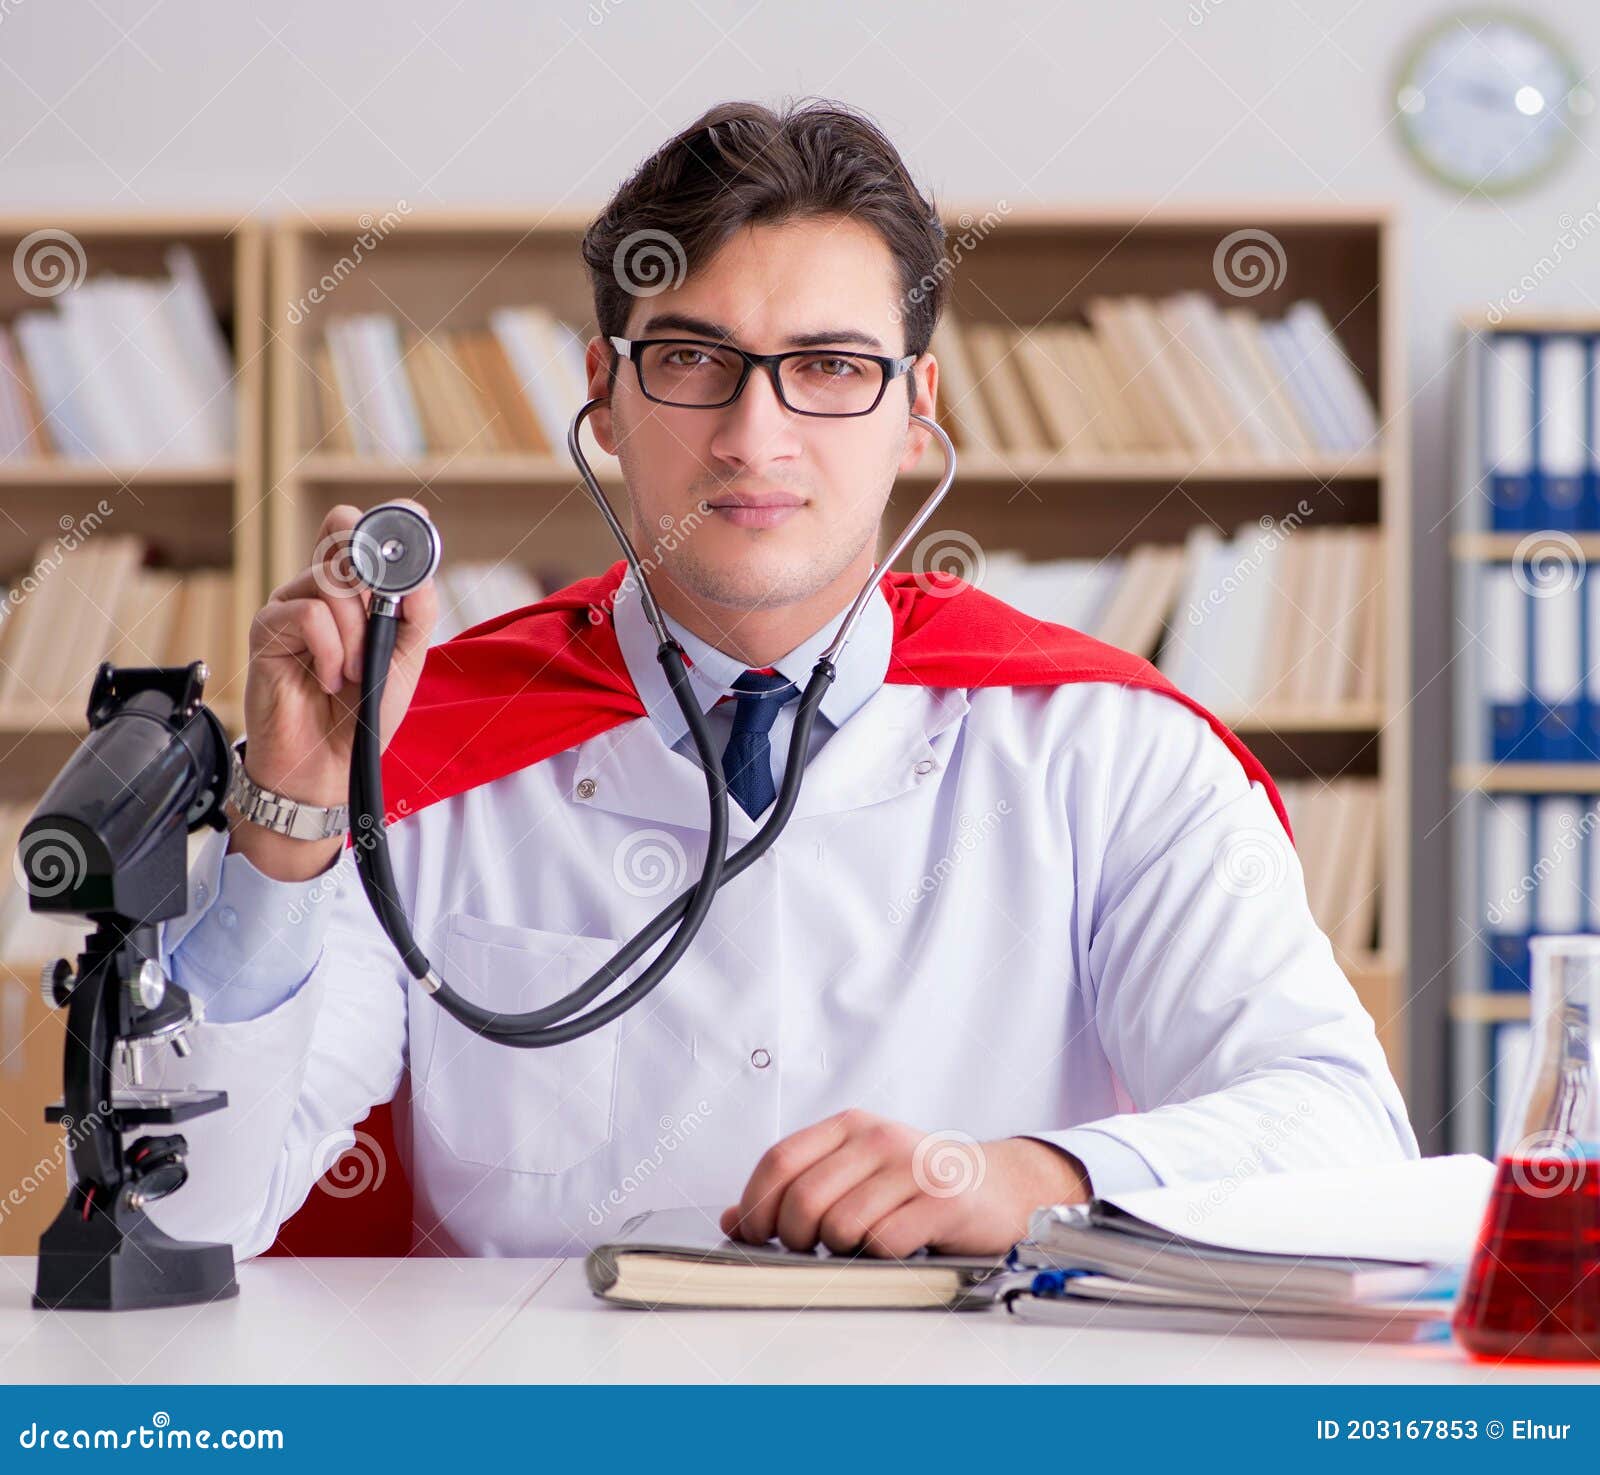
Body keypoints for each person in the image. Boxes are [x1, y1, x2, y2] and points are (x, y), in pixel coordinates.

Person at [146, 97, 1416, 1262]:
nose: (757, 435)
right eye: (693, 359)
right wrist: (288, 822)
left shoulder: (1108, 750)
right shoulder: (417, 748)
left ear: (916, 408)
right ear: (603, 393)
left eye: (829, 366)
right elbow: (180, 1208)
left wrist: (1035, 1176)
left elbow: (1345, 1132)